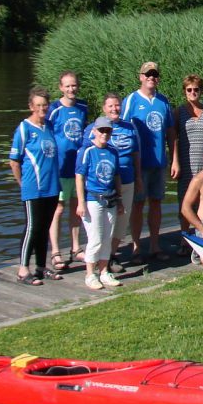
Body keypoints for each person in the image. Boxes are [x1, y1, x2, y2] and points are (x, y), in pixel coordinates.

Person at [122, 61, 176, 261]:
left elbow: (170, 131)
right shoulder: (131, 101)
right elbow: (122, 129)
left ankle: (155, 245)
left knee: (156, 202)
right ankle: (136, 246)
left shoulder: (163, 101)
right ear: (141, 77)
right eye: (147, 74)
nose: (151, 78)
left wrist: (174, 158)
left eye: (154, 74)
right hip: (139, 163)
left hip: (159, 161)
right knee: (137, 204)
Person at [8, 86, 61, 286]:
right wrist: (22, 183)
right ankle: (23, 269)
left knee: (44, 227)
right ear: (31, 106)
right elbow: (14, 161)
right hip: (33, 187)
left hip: (51, 186)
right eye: (38, 105)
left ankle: (40, 265)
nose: (42, 109)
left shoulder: (49, 126)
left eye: (45, 105)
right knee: (32, 227)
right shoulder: (24, 128)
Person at [84, 93, 140, 272]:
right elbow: (86, 157)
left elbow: (136, 154)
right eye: (110, 106)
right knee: (102, 226)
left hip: (127, 180)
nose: (115, 109)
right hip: (103, 185)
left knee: (121, 223)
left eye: (117, 105)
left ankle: (110, 257)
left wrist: (138, 177)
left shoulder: (129, 128)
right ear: (104, 108)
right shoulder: (94, 129)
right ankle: (98, 263)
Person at [75, 117, 125, 290]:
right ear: (94, 131)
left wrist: (119, 199)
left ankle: (104, 271)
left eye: (108, 131)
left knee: (107, 237)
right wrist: (81, 202)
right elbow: (80, 177)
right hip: (93, 199)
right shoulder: (87, 151)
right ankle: (90, 274)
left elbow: (117, 176)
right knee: (95, 237)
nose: (105, 134)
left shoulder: (113, 151)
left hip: (110, 198)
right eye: (102, 130)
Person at [172, 74, 203, 255]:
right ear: (185, 92)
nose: (193, 93)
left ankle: (202, 236)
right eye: (189, 90)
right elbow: (174, 138)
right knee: (185, 200)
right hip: (186, 162)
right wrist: (175, 161)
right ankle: (184, 238)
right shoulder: (179, 112)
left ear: (201, 91)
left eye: (196, 89)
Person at [47, 71, 88, 268]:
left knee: (76, 208)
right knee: (58, 209)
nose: (71, 89)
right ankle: (55, 251)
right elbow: (46, 134)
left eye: (74, 85)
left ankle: (75, 247)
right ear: (61, 88)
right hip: (59, 167)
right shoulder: (53, 109)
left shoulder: (83, 107)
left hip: (77, 168)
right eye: (67, 86)